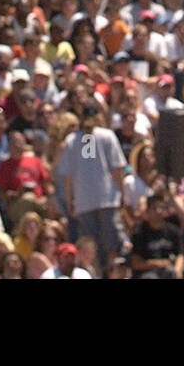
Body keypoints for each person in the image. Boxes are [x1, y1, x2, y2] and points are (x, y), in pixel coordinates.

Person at [55, 105, 126, 260]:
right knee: (110, 244)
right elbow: (116, 170)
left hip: (84, 200)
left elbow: (68, 176)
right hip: (106, 199)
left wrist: (70, 200)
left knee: (92, 246)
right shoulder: (107, 136)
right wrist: (122, 194)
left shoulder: (73, 140)